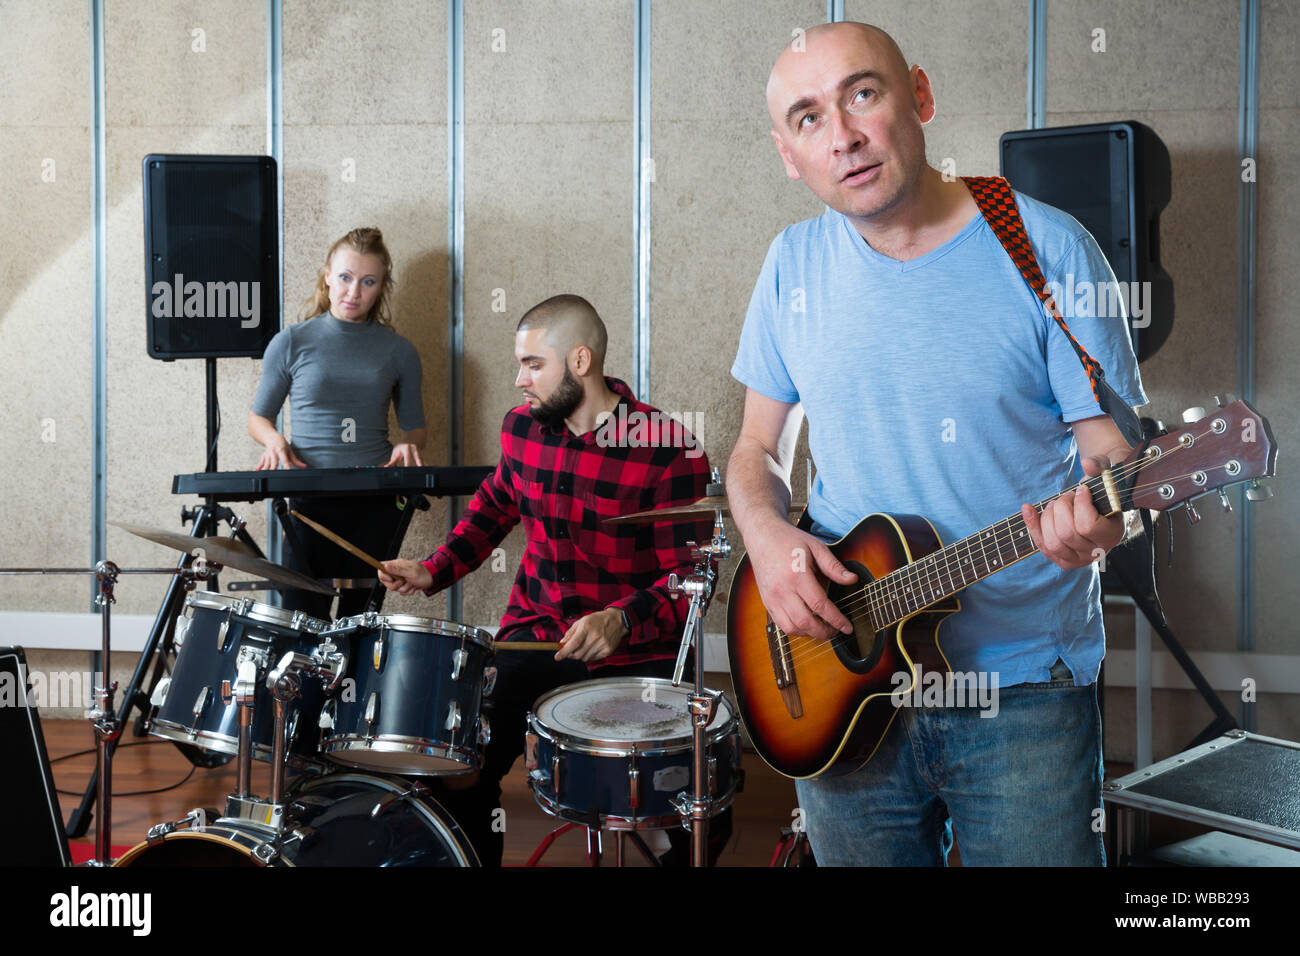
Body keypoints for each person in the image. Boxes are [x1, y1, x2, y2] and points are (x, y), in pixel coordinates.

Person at [726, 22, 1147, 866]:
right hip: (840, 679)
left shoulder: (1047, 248)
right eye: (808, 118)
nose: (842, 135)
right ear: (786, 153)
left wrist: (1105, 519)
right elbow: (756, 450)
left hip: (1022, 687)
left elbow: (1116, 460)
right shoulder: (792, 264)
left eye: (863, 94)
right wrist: (767, 541)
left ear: (918, 95)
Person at [379, 294, 730, 866]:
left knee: (697, 803)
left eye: (533, 365)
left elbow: (692, 577)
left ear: (580, 361)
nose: (519, 379)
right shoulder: (523, 430)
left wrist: (623, 618)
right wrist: (434, 568)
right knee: (457, 762)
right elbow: (494, 508)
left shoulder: (669, 449)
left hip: (631, 654)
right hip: (534, 633)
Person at [248, 226, 426, 620]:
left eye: (368, 282)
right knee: (302, 620)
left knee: (359, 624)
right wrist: (275, 440)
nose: (353, 292)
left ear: (381, 287)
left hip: (376, 499)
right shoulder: (291, 341)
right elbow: (259, 418)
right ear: (327, 274)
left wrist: (406, 445)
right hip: (309, 497)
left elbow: (415, 429)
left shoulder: (398, 350)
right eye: (345, 278)